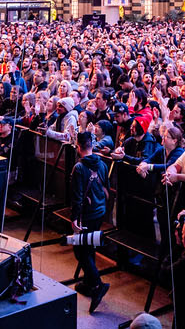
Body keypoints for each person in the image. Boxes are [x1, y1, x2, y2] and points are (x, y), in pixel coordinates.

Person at [69, 130, 111, 311]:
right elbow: (106, 187)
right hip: (99, 211)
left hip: (85, 215)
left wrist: (74, 218)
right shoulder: (102, 164)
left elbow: (77, 197)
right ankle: (87, 283)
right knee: (89, 246)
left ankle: (97, 284)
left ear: (78, 147)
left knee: (80, 250)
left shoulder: (79, 168)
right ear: (92, 145)